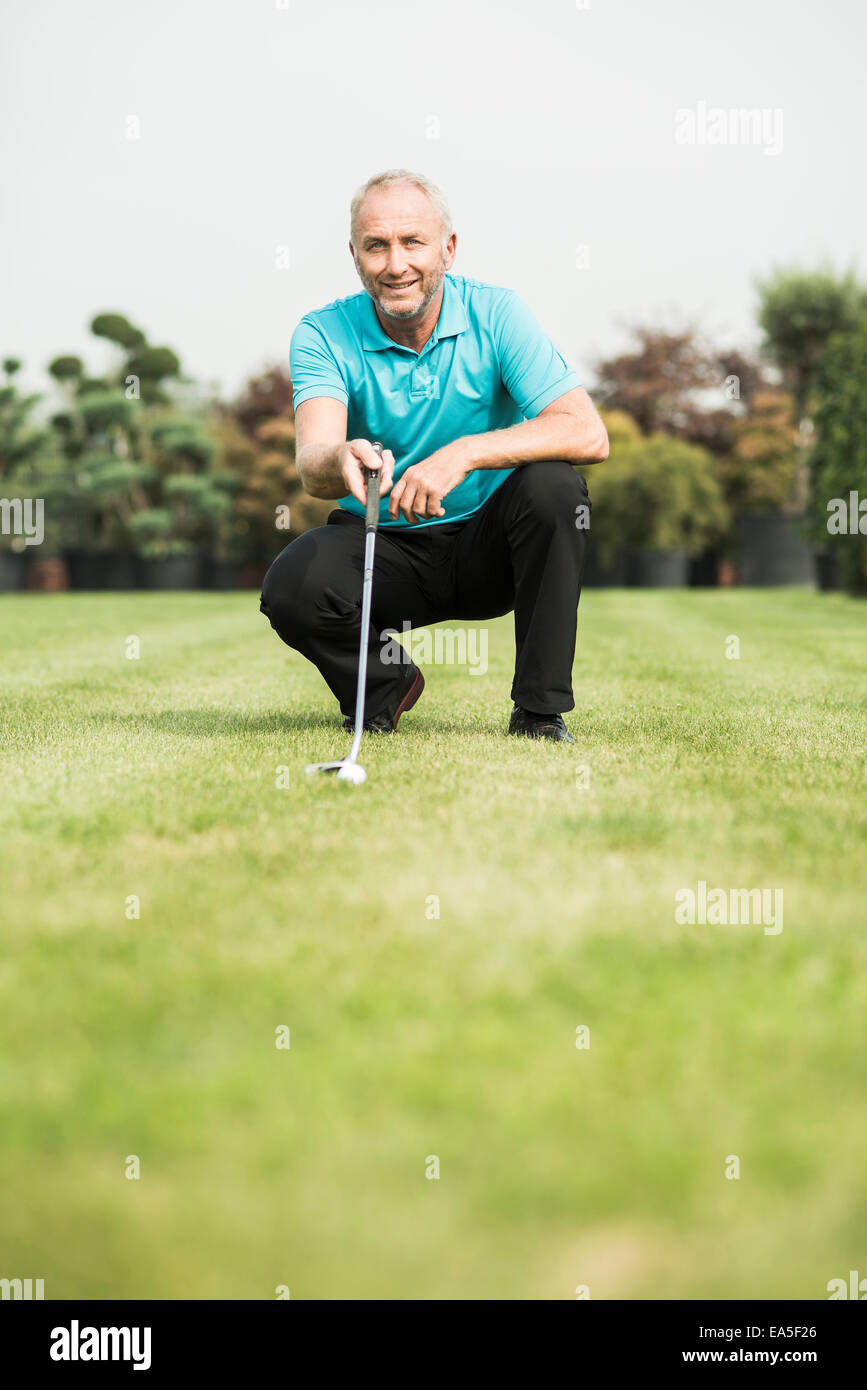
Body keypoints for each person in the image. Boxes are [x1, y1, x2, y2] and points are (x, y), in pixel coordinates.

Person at [260, 168, 608, 743]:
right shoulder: (321, 332)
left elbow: (587, 433)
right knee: (293, 584)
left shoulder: (498, 313)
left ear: (447, 249)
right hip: (386, 552)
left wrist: (466, 453)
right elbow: (313, 463)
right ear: (355, 255)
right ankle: (385, 685)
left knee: (554, 488)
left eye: (412, 242)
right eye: (377, 245)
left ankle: (539, 712)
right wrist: (341, 455)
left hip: (489, 550)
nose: (396, 264)